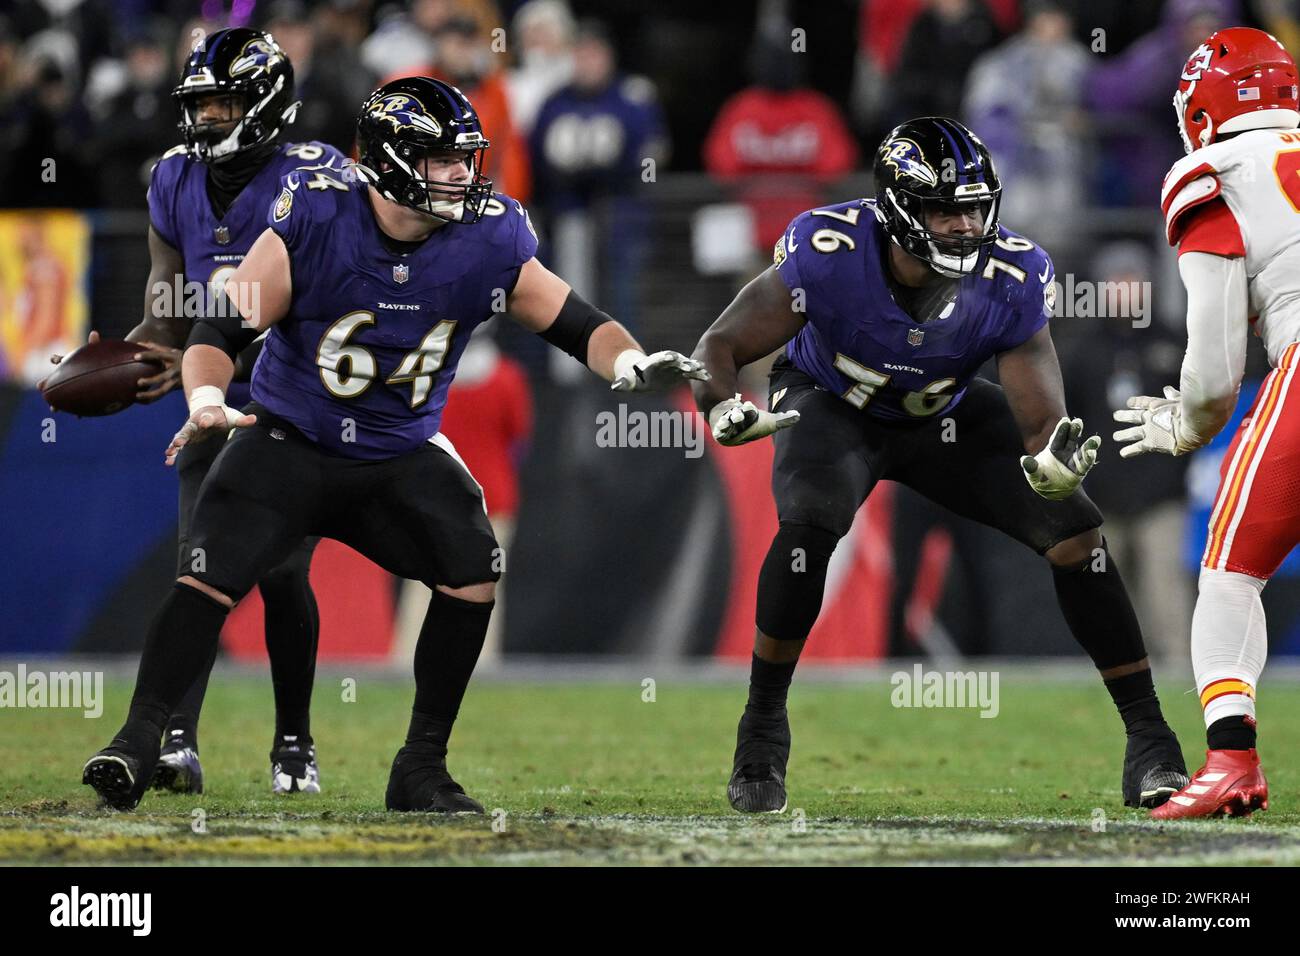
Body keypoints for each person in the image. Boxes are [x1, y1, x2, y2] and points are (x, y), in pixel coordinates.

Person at [81, 75, 707, 813]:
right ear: (389, 160)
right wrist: (209, 397)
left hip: (396, 453)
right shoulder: (316, 217)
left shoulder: (487, 236)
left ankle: (420, 767)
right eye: (443, 160)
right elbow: (220, 328)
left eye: (465, 159)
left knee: (473, 565)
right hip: (291, 437)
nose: (463, 175)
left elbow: (576, 322)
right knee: (206, 575)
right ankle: (138, 737)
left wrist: (630, 363)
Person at [691, 116, 1188, 814]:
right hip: (833, 403)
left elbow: (1039, 412)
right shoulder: (829, 249)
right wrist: (717, 405)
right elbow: (719, 345)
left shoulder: (1011, 274)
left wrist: (1051, 459)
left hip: (940, 417)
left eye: (973, 207)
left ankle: (1151, 739)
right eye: (944, 209)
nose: (962, 225)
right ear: (898, 207)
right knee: (808, 524)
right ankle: (762, 731)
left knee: (1077, 532)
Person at [48, 28, 342, 796]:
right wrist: (135, 353)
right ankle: (178, 742)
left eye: (225, 102)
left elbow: (317, 311)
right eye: (201, 102)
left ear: (268, 103)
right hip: (206, 406)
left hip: (294, 397)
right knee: (198, 567)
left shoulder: (314, 182)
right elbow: (168, 307)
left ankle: (294, 744)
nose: (209, 116)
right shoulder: (174, 178)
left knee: (282, 571)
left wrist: (207, 359)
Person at [1115, 28, 1300, 819]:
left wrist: (1188, 425)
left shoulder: (1213, 171)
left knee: (1229, 575)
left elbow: (1217, 370)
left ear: (1204, 106)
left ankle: (1231, 761)